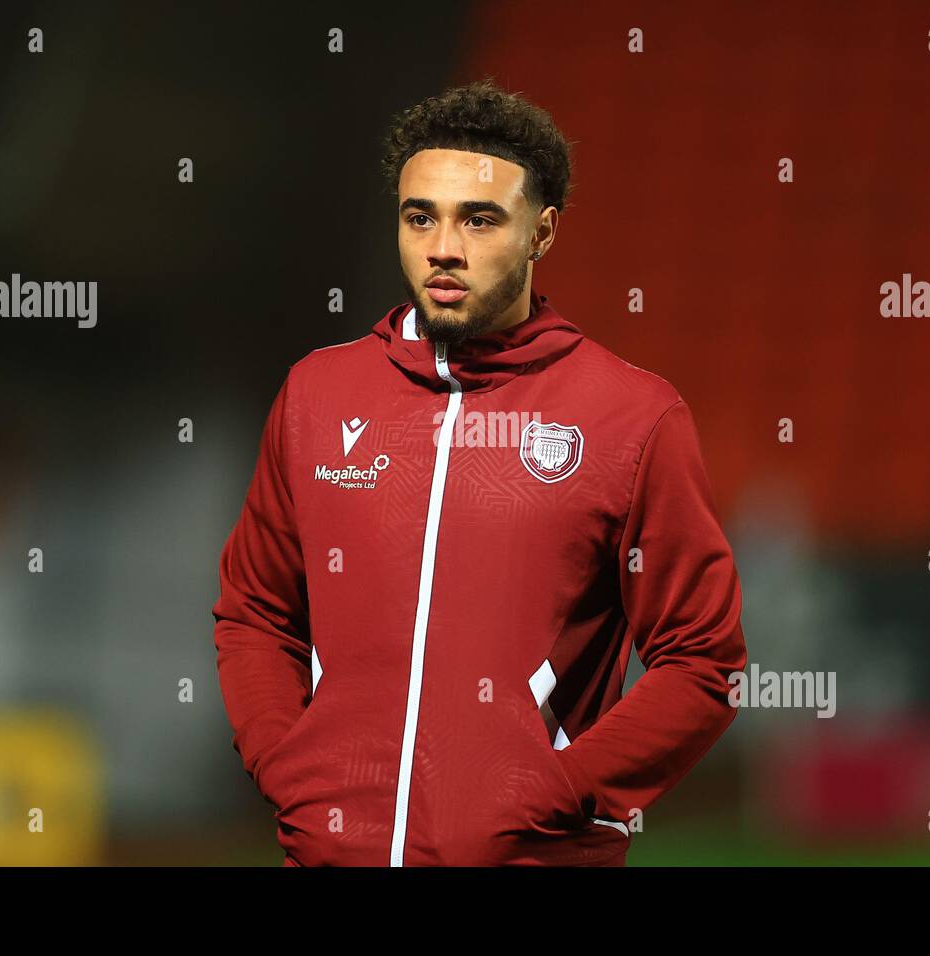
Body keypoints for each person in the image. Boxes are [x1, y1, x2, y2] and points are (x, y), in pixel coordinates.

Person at [212, 78, 747, 866]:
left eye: (479, 219)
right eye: (419, 215)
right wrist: (285, 766)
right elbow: (256, 612)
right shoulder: (316, 395)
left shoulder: (631, 417)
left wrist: (554, 792)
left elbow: (702, 661)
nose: (443, 247)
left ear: (542, 232)